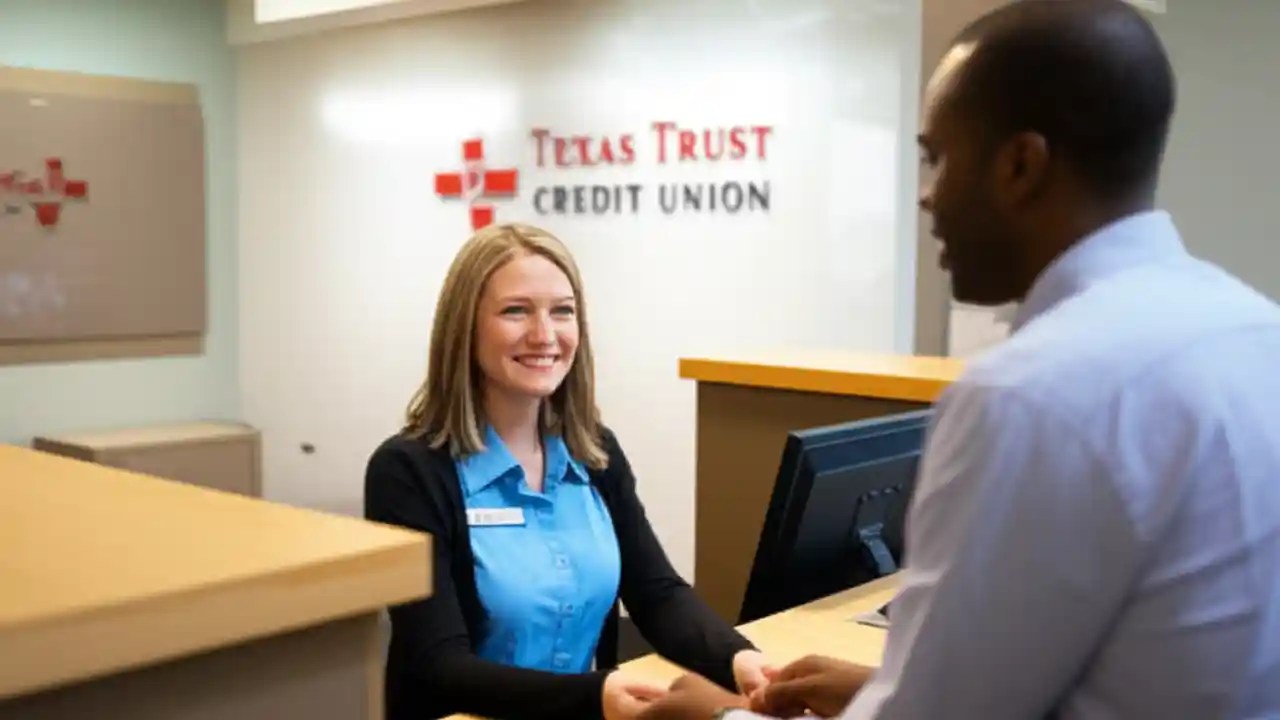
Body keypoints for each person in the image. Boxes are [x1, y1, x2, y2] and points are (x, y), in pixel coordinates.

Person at [637, 1, 1280, 718]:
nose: (925, 194)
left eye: (937, 156)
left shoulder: (1028, 397)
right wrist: (880, 695)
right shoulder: (1255, 333)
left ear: (1020, 166)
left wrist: (718, 717)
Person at [364, 222, 773, 720]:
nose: (544, 335)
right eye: (516, 311)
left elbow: (656, 593)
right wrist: (594, 696)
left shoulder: (594, 452)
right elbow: (438, 664)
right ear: (464, 328)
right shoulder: (409, 471)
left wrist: (739, 658)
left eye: (563, 311)